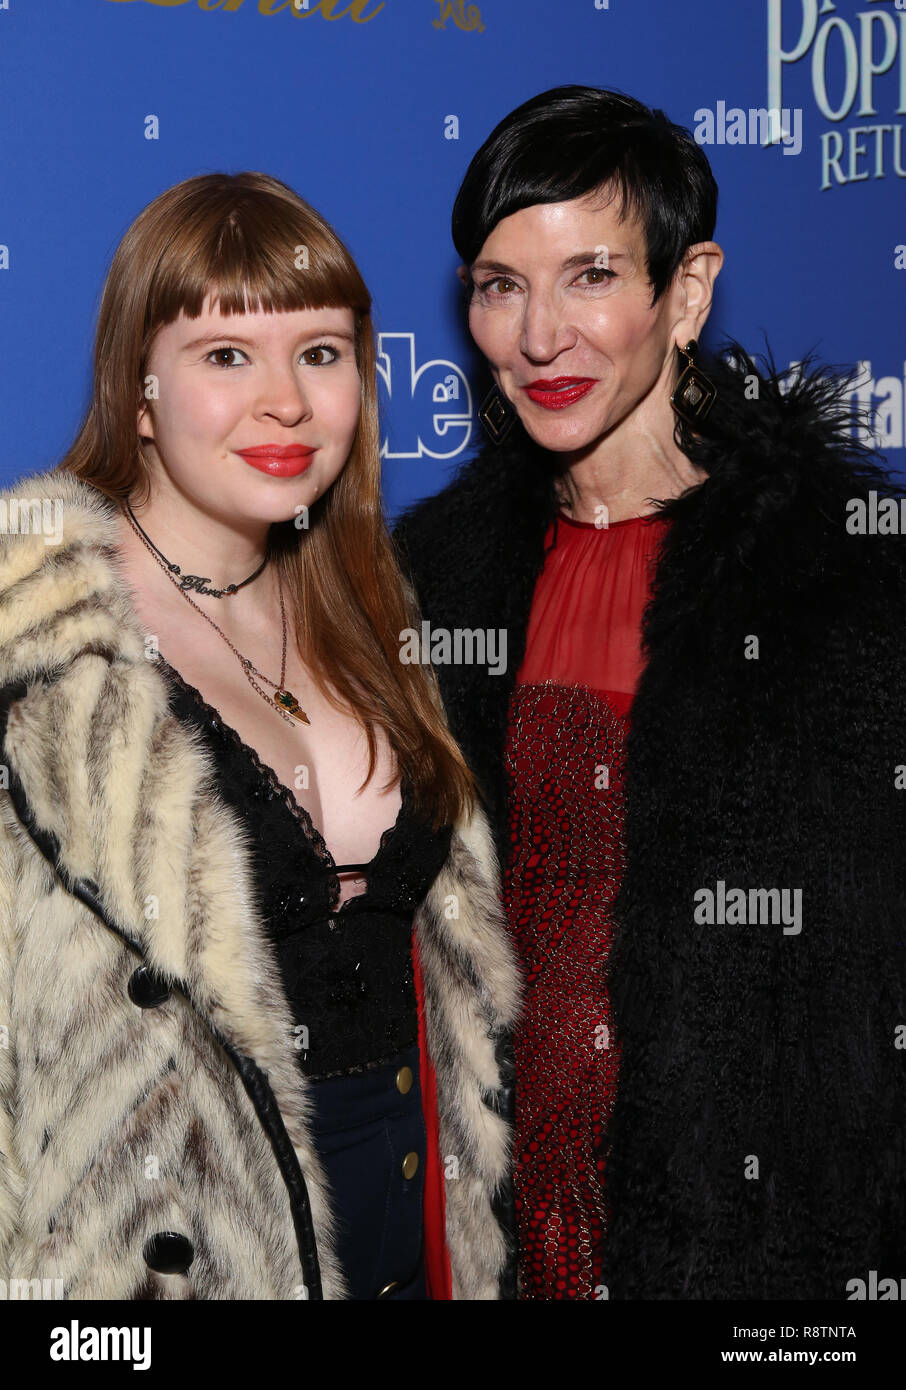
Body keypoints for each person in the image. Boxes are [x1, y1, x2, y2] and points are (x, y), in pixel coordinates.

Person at [392, 86, 906, 1300]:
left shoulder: (844, 584)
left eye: (591, 276)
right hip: (497, 1234)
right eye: (500, 284)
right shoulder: (427, 582)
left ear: (689, 292)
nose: (538, 335)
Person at [0, 172, 520, 1300]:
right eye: (226, 355)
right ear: (138, 389)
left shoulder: (379, 611)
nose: (285, 401)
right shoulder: (32, 649)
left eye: (321, 353)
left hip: (416, 1242)